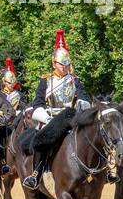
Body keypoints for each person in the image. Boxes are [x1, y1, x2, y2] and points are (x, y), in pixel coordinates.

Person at [23, 30, 92, 190]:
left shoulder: (75, 80)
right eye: (62, 64)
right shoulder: (45, 80)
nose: (66, 67)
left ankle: (100, 170)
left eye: (68, 64)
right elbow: (38, 102)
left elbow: (84, 98)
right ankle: (36, 174)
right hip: (51, 119)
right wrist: (45, 118)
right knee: (42, 141)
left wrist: (82, 102)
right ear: (54, 63)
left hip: (71, 118)